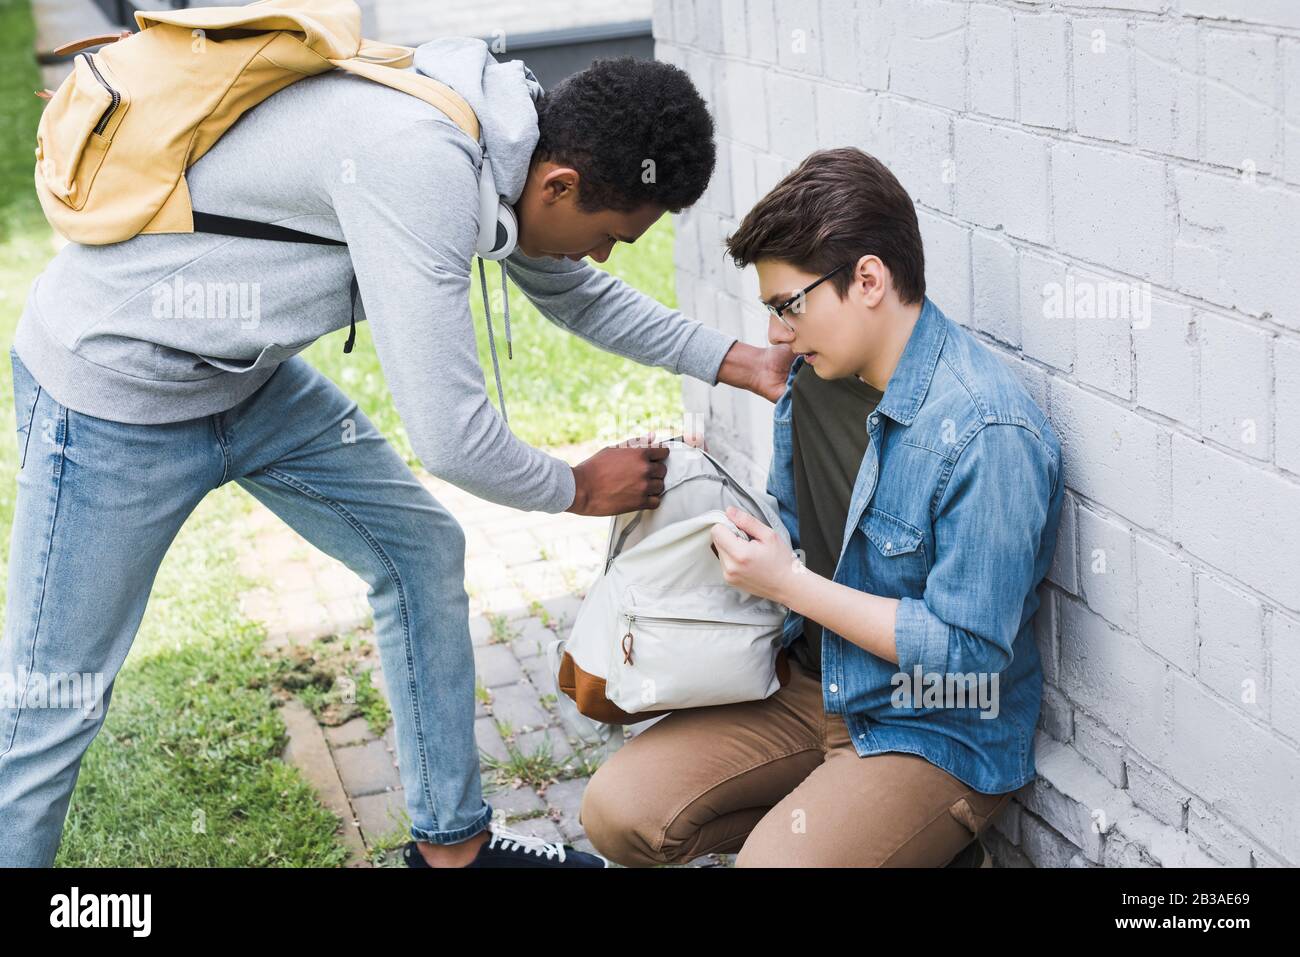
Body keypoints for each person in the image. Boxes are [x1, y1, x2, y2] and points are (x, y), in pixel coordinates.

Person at [0, 42, 792, 868]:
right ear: (560, 187)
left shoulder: (508, 141)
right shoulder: (425, 164)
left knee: (418, 550)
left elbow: (571, 293)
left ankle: (453, 850)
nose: (599, 255)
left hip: (244, 382)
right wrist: (575, 488)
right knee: (54, 697)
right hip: (112, 392)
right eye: (608, 236)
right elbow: (450, 435)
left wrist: (744, 362)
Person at [579, 147, 1065, 868]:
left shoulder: (986, 432)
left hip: (932, 725)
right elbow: (794, 535)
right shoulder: (810, 384)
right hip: (813, 684)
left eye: (788, 306)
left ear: (868, 279)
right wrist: (691, 489)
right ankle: (839, 825)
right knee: (617, 812)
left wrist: (788, 582)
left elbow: (970, 653)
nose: (775, 333)